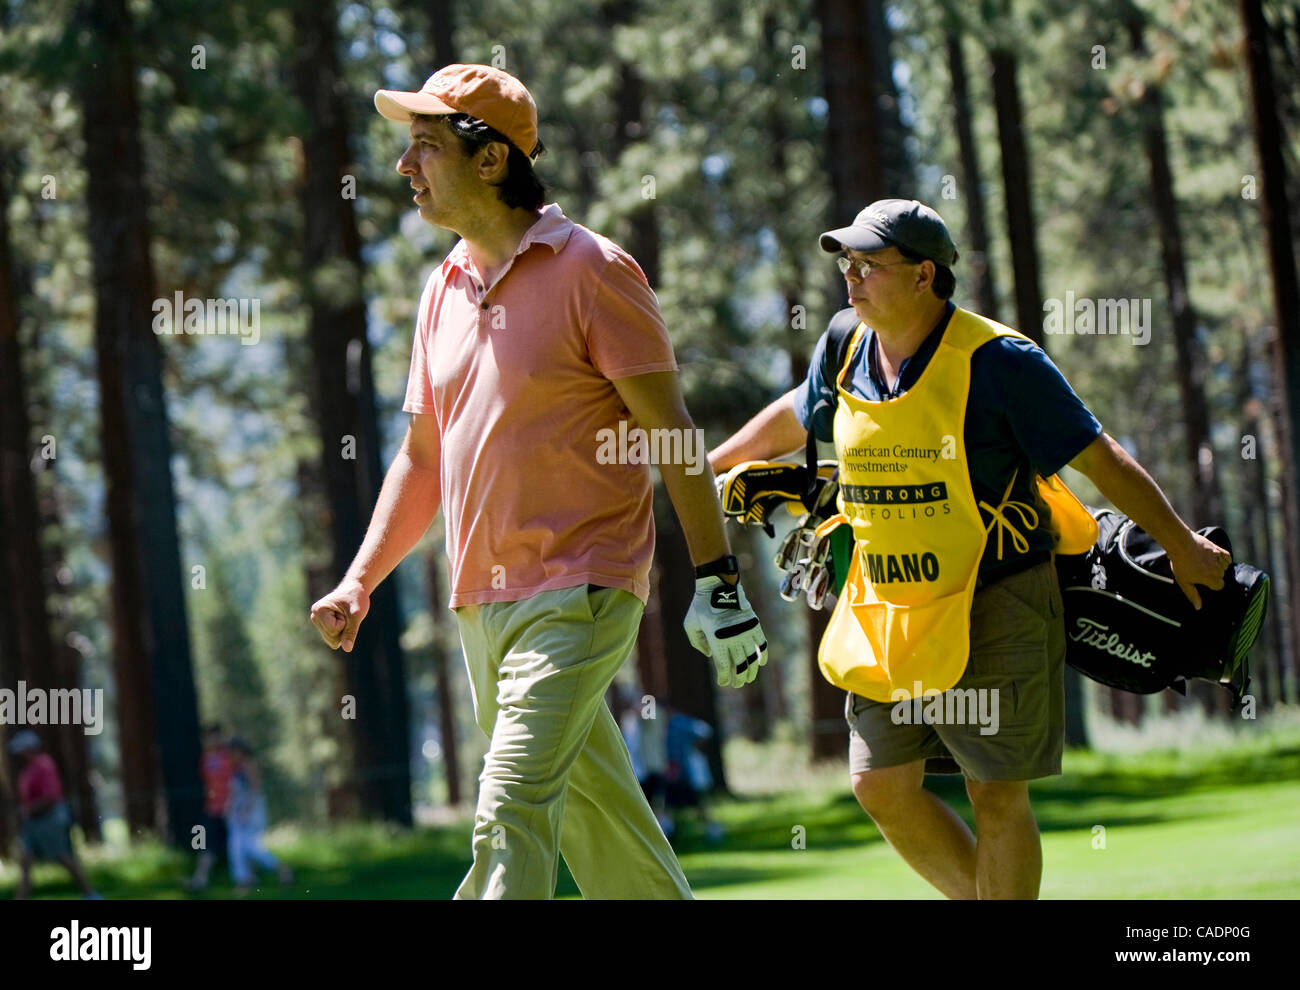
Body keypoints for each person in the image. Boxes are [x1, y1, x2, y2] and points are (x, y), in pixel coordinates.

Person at [307, 64, 769, 900]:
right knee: (606, 834)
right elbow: (423, 456)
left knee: (508, 805)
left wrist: (720, 580)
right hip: (483, 602)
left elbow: (673, 434)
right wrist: (360, 578)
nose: (405, 167)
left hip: (580, 589)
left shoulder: (594, 270)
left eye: (425, 147)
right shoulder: (441, 289)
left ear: (491, 162)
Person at [708, 199, 1230, 900]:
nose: (851, 278)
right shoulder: (842, 343)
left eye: (869, 265)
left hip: (997, 598)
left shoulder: (1002, 361)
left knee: (996, 797)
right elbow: (801, 410)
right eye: (846, 265)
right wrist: (712, 465)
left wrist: (1183, 548)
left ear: (925, 275)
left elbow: (1100, 459)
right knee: (879, 785)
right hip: (884, 605)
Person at [8, 730, 100, 899]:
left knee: (63, 857)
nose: (18, 754)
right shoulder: (28, 769)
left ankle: (90, 894)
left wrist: (29, 809)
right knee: (25, 861)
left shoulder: (44, 765)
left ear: (29, 748)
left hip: (49, 819)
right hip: (33, 822)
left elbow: (51, 797)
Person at [224, 738, 291, 896]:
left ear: (240, 751)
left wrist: (245, 811)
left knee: (248, 846)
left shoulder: (248, 766)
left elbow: (255, 791)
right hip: (241, 810)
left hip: (250, 811)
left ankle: (277, 869)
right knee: (238, 846)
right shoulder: (238, 767)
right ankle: (247, 879)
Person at [186, 724, 234, 893]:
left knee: (241, 844)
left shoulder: (231, 756)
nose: (214, 739)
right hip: (212, 809)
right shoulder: (205, 757)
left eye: (216, 735)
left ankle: (248, 877)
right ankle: (200, 880)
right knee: (207, 845)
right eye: (210, 736)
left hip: (231, 809)